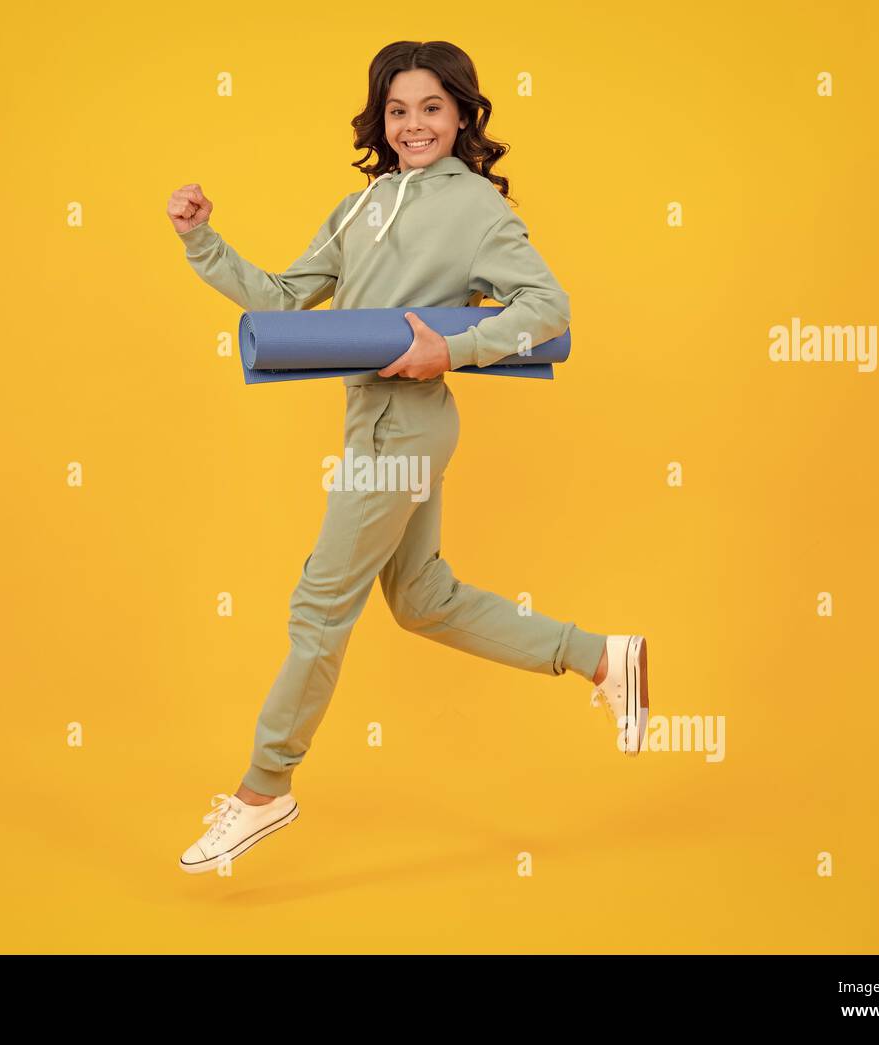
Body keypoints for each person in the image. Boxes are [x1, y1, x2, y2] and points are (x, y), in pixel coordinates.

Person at [167, 40, 647, 875]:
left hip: (404, 427)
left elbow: (548, 308)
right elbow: (284, 301)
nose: (414, 124)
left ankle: (263, 787)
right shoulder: (362, 207)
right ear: (380, 120)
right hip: (374, 424)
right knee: (423, 599)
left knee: (320, 606)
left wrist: (451, 353)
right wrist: (204, 241)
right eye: (398, 109)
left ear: (462, 115)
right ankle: (604, 656)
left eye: (431, 107)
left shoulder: (475, 211)